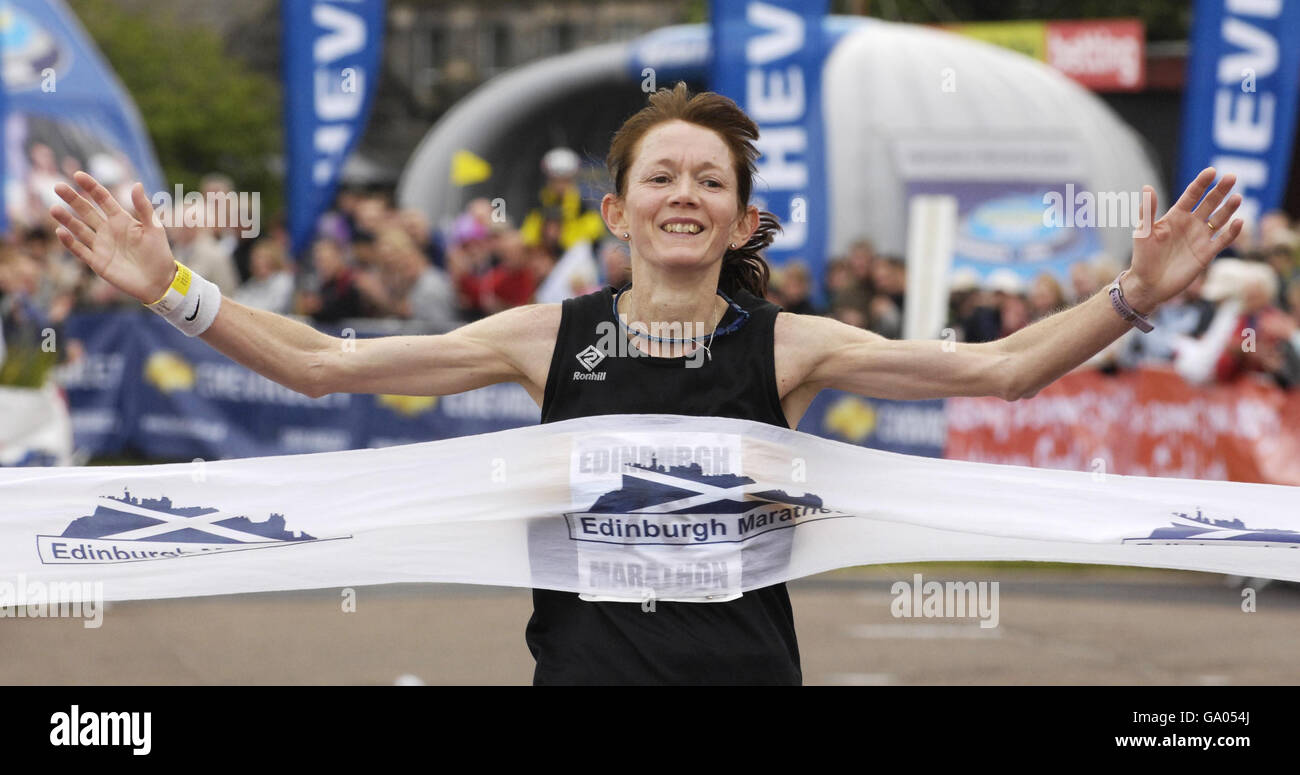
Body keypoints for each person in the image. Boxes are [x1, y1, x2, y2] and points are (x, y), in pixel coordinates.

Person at [49, 82, 1243, 685]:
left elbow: (1001, 369)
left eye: (709, 181)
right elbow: (320, 365)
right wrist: (172, 291)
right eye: (660, 176)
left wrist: (1135, 296)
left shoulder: (789, 346)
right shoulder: (541, 334)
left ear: (738, 216)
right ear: (616, 211)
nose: (684, 194)